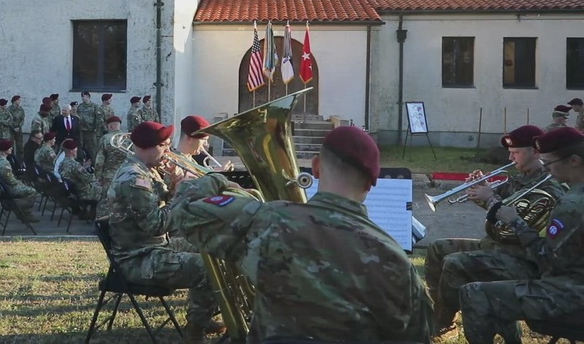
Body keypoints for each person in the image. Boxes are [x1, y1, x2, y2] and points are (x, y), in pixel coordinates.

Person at [169, 125, 433, 342]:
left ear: (316, 167)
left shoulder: (269, 220)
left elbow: (183, 212)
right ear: (371, 183)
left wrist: (215, 178)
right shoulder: (395, 259)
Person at [430, 124, 565, 333]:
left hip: (522, 258)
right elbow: (499, 209)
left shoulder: (549, 186)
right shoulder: (519, 177)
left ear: (535, 151)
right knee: (437, 248)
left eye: (516, 153)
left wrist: (491, 199)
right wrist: (478, 191)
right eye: (510, 153)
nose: (511, 159)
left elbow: (518, 228)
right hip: (496, 246)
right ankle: (441, 312)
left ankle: (443, 321)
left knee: (454, 262)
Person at [459, 128, 584, 344]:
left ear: (574, 161)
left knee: (475, 294)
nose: (546, 170)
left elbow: (548, 262)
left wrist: (516, 222)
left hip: (572, 293)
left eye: (549, 163)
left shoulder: (572, 204)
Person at [106, 121, 224, 343]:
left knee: (215, 247)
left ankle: (202, 315)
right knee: (206, 270)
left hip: (154, 246)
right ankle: (194, 334)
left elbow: (158, 212)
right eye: (165, 146)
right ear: (148, 147)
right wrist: (181, 194)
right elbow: (157, 225)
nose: (169, 152)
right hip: (137, 258)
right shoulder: (134, 179)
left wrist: (173, 186)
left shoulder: (147, 170)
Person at [0, 139, 41, 221]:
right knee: (32, 191)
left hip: (4, 187)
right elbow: (10, 180)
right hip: (9, 188)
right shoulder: (4, 163)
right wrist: (20, 183)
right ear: (5, 149)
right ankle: (21, 210)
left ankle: (22, 213)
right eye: (9, 147)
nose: (11, 148)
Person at [93, 116, 130, 218]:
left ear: (110, 126)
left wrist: (98, 176)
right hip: (125, 174)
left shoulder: (106, 138)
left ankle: (101, 222)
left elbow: (99, 161)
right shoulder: (127, 138)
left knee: (105, 199)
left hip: (110, 175)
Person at [56, 139, 102, 204]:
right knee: (106, 190)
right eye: (75, 149)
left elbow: (75, 172)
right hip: (84, 192)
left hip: (74, 191)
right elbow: (88, 179)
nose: (76, 150)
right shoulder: (75, 165)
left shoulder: (62, 162)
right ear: (71, 151)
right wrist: (97, 175)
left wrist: (83, 168)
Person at [77, 92, 100, 162]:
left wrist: (96, 128)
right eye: (82, 97)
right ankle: (81, 161)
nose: (82, 98)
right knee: (80, 146)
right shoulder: (80, 107)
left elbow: (98, 118)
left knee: (91, 147)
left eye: (84, 96)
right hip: (82, 130)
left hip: (91, 130)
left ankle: (93, 162)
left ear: (88, 96)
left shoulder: (95, 106)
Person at [9, 95, 26, 161]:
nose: (19, 101)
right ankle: (12, 159)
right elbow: (8, 120)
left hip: (19, 129)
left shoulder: (21, 109)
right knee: (11, 145)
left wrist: (19, 126)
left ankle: (20, 159)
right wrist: (13, 128)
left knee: (20, 145)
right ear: (14, 101)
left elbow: (22, 119)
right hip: (11, 130)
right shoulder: (9, 109)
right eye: (18, 100)